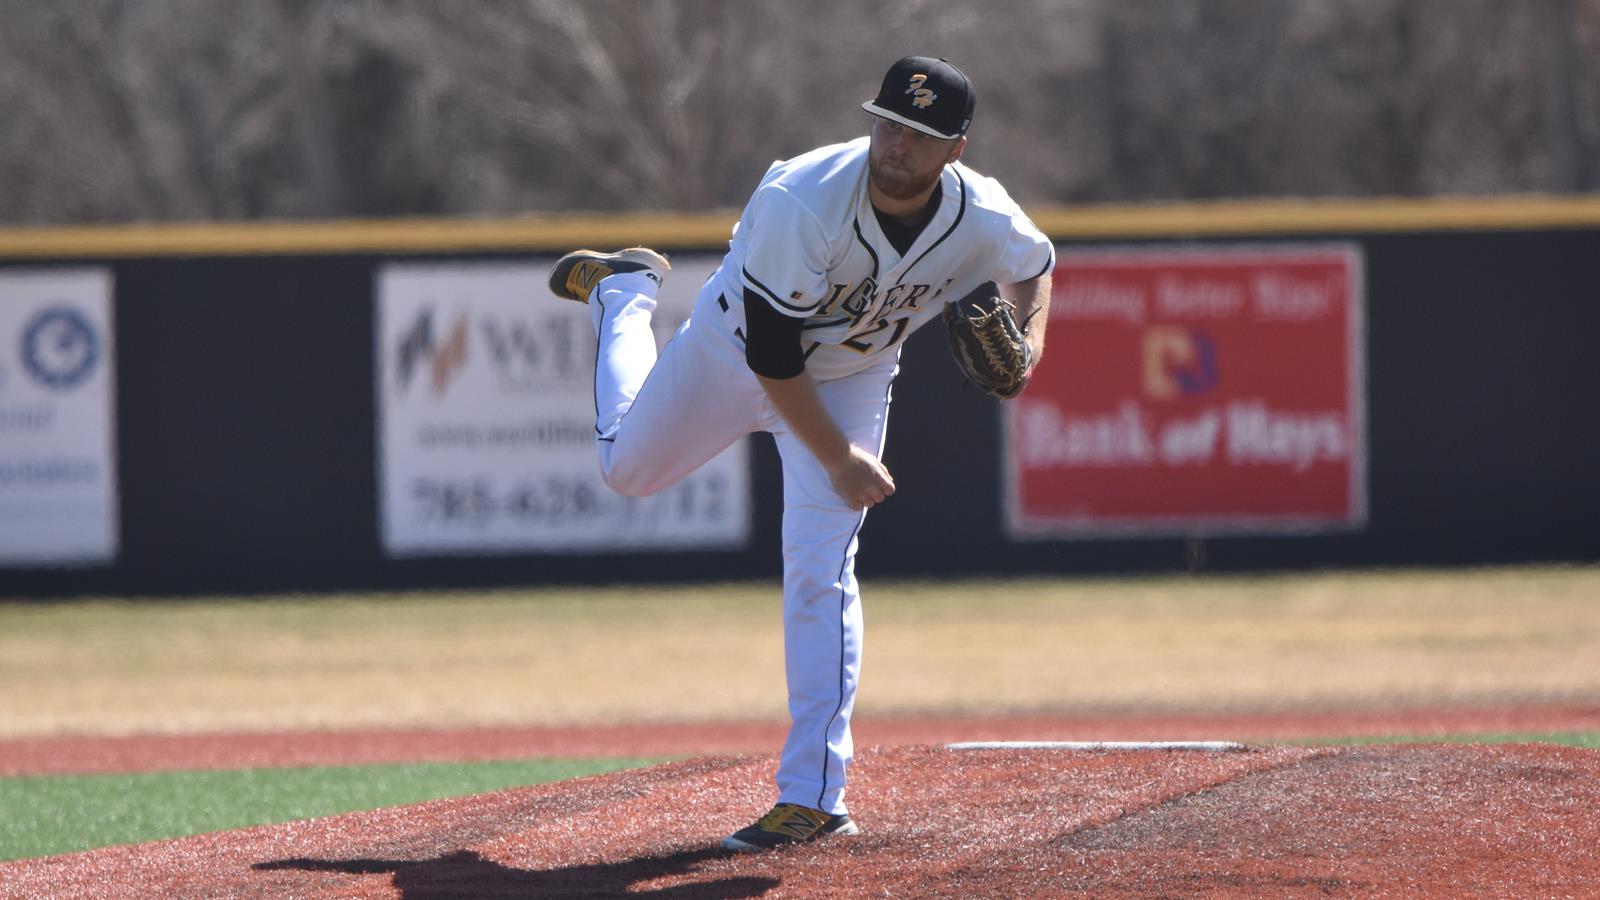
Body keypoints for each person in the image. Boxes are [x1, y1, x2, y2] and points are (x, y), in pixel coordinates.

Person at [547, 56, 1054, 852]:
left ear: (956, 149)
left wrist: (1026, 349)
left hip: (855, 375)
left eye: (921, 134)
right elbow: (774, 358)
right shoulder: (805, 199)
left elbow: (1037, 265)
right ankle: (624, 295)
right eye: (889, 123)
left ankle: (814, 798)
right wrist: (838, 458)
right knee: (626, 470)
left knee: (820, 570)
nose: (897, 144)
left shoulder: (983, 216)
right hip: (733, 349)